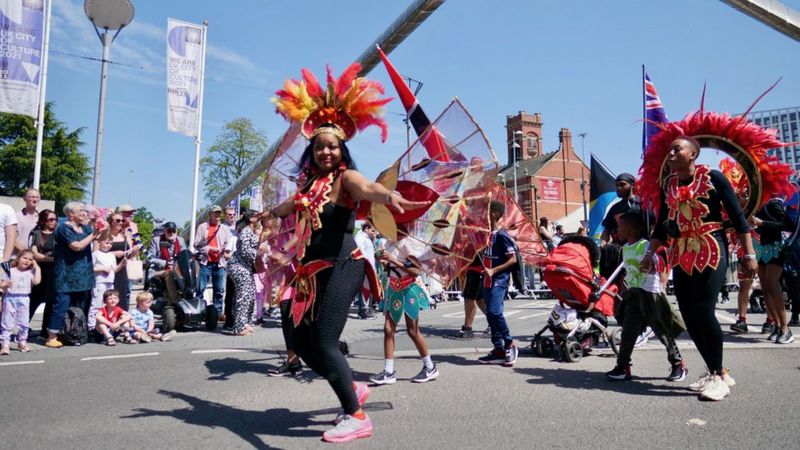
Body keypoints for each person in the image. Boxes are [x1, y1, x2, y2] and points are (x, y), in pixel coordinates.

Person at [270, 63, 428, 443]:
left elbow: (369, 187)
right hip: (312, 272)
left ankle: (356, 416)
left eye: (333, 146)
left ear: (341, 150)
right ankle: (351, 388)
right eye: (320, 145)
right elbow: (291, 206)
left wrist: (388, 195)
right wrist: (270, 213)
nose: (326, 151)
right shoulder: (311, 185)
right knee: (301, 343)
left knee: (324, 342)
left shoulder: (345, 179)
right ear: (313, 149)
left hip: (344, 265)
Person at [641, 136, 757, 401]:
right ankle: (717, 371)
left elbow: (738, 218)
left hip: (711, 248)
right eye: (669, 150)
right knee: (689, 315)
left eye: (676, 150)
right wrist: (651, 253)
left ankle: (717, 377)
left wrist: (749, 254)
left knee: (704, 311)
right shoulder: (668, 185)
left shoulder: (713, 178)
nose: (670, 154)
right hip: (681, 253)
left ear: (693, 154)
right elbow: (661, 224)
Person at [605, 210, 687, 382]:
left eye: (620, 227)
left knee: (662, 330)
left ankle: (678, 364)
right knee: (628, 332)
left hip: (650, 294)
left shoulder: (646, 245)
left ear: (630, 229)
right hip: (634, 294)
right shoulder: (625, 248)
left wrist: (654, 269)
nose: (616, 230)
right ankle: (622, 366)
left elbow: (659, 263)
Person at [370, 252, 438, 385]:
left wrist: (393, 260)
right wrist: (384, 263)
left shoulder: (410, 246)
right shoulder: (389, 245)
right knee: (388, 329)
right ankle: (388, 371)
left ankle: (430, 366)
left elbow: (415, 271)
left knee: (412, 331)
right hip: (394, 289)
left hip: (409, 289)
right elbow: (390, 270)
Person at [47, 202, 100, 349]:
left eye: (84, 211)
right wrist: (94, 235)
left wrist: (103, 227)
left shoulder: (85, 228)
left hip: (83, 275)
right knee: (61, 305)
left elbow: (99, 238)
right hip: (66, 275)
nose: (84, 213)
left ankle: (75, 333)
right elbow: (76, 246)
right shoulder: (64, 227)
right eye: (81, 211)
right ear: (71, 214)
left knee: (81, 306)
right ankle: (52, 336)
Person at [477, 200, 520, 367]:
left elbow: (513, 259)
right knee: (490, 314)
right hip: (487, 281)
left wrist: (494, 271)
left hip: (499, 280)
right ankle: (498, 349)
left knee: (495, 312)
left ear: (493, 213)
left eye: (487, 212)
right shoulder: (489, 235)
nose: (485, 215)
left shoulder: (502, 235)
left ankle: (509, 344)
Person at [751, 199, 795, 344]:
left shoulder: (773, 204)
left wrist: (762, 223)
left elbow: (788, 226)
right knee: (765, 288)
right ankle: (777, 325)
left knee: (772, 285)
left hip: (776, 247)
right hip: (763, 248)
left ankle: (785, 328)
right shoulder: (757, 205)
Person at [194, 205, 232, 318]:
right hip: (206, 262)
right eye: (215, 213)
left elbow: (228, 243)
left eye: (219, 213)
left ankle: (217, 313)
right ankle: (199, 311)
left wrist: (226, 251)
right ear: (210, 214)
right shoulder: (202, 227)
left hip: (219, 262)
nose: (218, 215)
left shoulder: (224, 228)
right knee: (200, 288)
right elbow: (196, 244)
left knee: (219, 290)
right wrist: (209, 249)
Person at [1, 249, 41, 354]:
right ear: (18, 259)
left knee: (24, 322)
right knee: (7, 321)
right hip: (10, 298)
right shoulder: (10, 270)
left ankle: (22, 341)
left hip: (24, 298)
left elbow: (37, 281)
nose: (27, 261)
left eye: (30, 259)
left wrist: (37, 268)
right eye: (25, 258)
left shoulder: (30, 272)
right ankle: (5, 344)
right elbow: (2, 284)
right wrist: (5, 285)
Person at [229, 209, 261, 336]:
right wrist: (258, 257)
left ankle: (245, 322)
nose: (258, 218)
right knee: (244, 295)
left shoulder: (248, 230)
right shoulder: (246, 231)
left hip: (244, 267)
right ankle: (239, 326)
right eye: (256, 216)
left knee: (248, 295)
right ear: (251, 218)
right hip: (240, 267)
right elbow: (245, 250)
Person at [89, 232, 126, 330]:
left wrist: (122, 264)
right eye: (106, 243)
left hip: (110, 283)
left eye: (110, 243)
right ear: (100, 242)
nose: (108, 245)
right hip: (99, 282)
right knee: (96, 304)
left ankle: (104, 326)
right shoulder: (95, 254)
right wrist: (102, 268)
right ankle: (92, 327)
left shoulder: (111, 255)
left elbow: (114, 269)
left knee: (108, 305)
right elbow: (89, 269)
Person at [29, 209, 57, 338]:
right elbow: (35, 254)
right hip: (39, 270)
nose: (54, 222)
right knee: (34, 299)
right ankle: (22, 327)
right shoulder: (36, 233)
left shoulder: (58, 234)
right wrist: (51, 259)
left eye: (55, 219)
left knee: (51, 301)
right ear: (43, 220)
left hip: (54, 271)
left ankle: (45, 330)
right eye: (51, 219)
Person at [146, 221, 186, 302]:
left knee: (190, 272)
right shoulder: (156, 240)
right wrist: (165, 263)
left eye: (173, 231)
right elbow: (149, 257)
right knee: (168, 273)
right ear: (164, 231)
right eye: (169, 231)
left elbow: (185, 255)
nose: (171, 233)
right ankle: (176, 300)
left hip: (176, 269)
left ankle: (189, 296)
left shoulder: (180, 240)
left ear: (176, 231)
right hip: (158, 270)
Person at [601, 173, 641, 245]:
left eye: (622, 184)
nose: (619, 188)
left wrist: (650, 251)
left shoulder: (642, 204)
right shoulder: (614, 208)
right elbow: (606, 231)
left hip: (639, 251)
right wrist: (602, 246)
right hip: (619, 251)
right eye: (617, 185)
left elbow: (652, 227)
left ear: (632, 185)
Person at [107, 212, 135, 312]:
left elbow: (129, 253)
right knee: (110, 295)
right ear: (110, 222)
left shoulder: (125, 235)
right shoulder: (105, 235)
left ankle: (122, 317)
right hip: (109, 269)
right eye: (118, 220)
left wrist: (134, 251)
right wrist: (114, 253)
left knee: (123, 294)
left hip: (123, 269)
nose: (121, 223)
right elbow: (97, 253)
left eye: (122, 220)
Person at [456, 255, 487, 339]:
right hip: (473, 268)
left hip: (477, 269)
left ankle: (468, 328)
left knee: (470, 298)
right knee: (479, 299)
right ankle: (494, 322)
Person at [353, 222, 378, 320]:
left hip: (370, 268)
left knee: (369, 288)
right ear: (366, 229)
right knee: (365, 289)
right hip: (364, 267)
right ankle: (363, 310)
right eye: (372, 230)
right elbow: (360, 253)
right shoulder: (360, 238)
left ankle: (368, 308)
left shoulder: (368, 239)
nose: (374, 233)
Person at [14, 188, 40, 256]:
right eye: (32, 197)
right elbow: (12, 239)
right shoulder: (16, 217)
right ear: (24, 199)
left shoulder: (41, 218)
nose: (35, 199)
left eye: (37, 197)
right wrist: (28, 254)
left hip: (36, 259)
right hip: (18, 258)